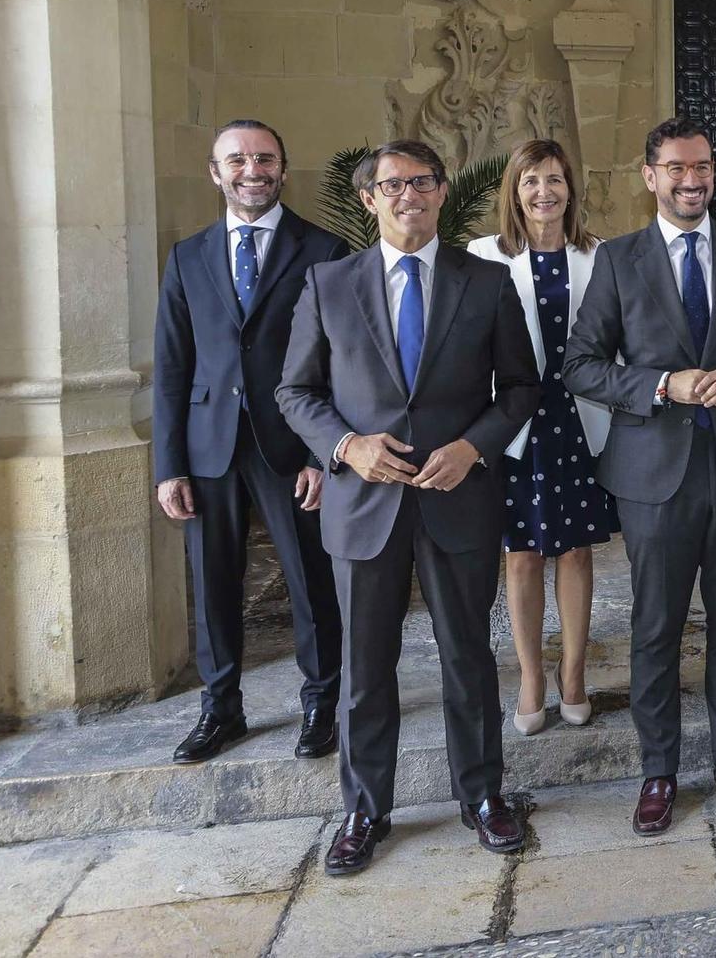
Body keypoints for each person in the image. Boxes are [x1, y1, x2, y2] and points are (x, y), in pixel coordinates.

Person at [277, 139, 541, 875]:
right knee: (365, 667)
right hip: (364, 505)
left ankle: (484, 794)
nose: (407, 196)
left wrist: (475, 447)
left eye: (421, 183)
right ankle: (364, 808)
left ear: (443, 190)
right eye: (391, 185)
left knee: (468, 655)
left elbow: (520, 388)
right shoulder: (329, 283)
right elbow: (295, 391)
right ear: (369, 200)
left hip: (458, 497)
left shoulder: (485, 281)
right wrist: (346, 447)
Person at [561, 119, 716, 836]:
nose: (691, 179)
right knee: (657, 625)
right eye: (676, 167)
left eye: (701, 166)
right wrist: (666, 384)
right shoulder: (619, 260)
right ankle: (658, 768)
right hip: (652, 476)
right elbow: (581, 363)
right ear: (650, 175)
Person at [153, 118, 348, 765]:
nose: (252, 169)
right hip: (208, 444)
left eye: (265, 157)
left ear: (283, 169)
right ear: (216, 172)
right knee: (212, 582)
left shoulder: (323, 248)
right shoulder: (187, 257)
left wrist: (328, 454)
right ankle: (221, 706)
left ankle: (322, 701)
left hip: (292, 443)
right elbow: (172, 366)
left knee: (310, 576)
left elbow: (342, 363)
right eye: (237, 159)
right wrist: (169, 464)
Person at [466, 140, 617, 735]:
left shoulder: (601, 256)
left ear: (570, 190)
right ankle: (530, 675)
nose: (544, 192)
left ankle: (574, 673)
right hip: (514, 425)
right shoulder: (483, 256)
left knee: (578, 551)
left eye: (554, 180)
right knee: (522, 555)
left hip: (580, 421)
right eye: (531, 181)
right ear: (515, 190)